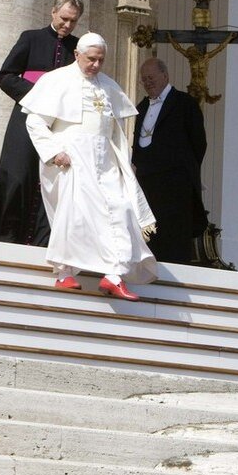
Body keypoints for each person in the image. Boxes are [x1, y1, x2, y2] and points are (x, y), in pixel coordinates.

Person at [20, 33, 156, 301]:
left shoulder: (108, 86)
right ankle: (64, 273)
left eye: (100, 60)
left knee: (121, 207)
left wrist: (124, 163)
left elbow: (114, 131)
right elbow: (35, 122)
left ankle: (114, 275)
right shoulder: (57, 80)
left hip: (104, 158)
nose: (95, 65)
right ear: (77, 55)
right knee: (73, 214)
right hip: (70, 155)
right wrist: (53, 151)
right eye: (91, 59)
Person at [0, 0, 83, 246]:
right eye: (64, 18)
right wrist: (38, 95)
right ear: (53, 12)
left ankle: (44, 240)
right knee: (18, 176)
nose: (67, 25)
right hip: (26, 115)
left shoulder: (77, 49)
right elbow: (5, 75)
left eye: (73, 22)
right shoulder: (31, 38)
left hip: (59, 124)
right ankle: (7, 237)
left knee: (51, 180)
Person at [132, 57, 208, 263]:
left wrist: (185, 170)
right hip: (148, 181)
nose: (147, 82)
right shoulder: (141, 106)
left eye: (151, 77)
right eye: (143, 79)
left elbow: (198, 143)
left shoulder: (185, 103)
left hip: (175, 183)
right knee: (150, 232)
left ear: (165, 75)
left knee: (173, 235)